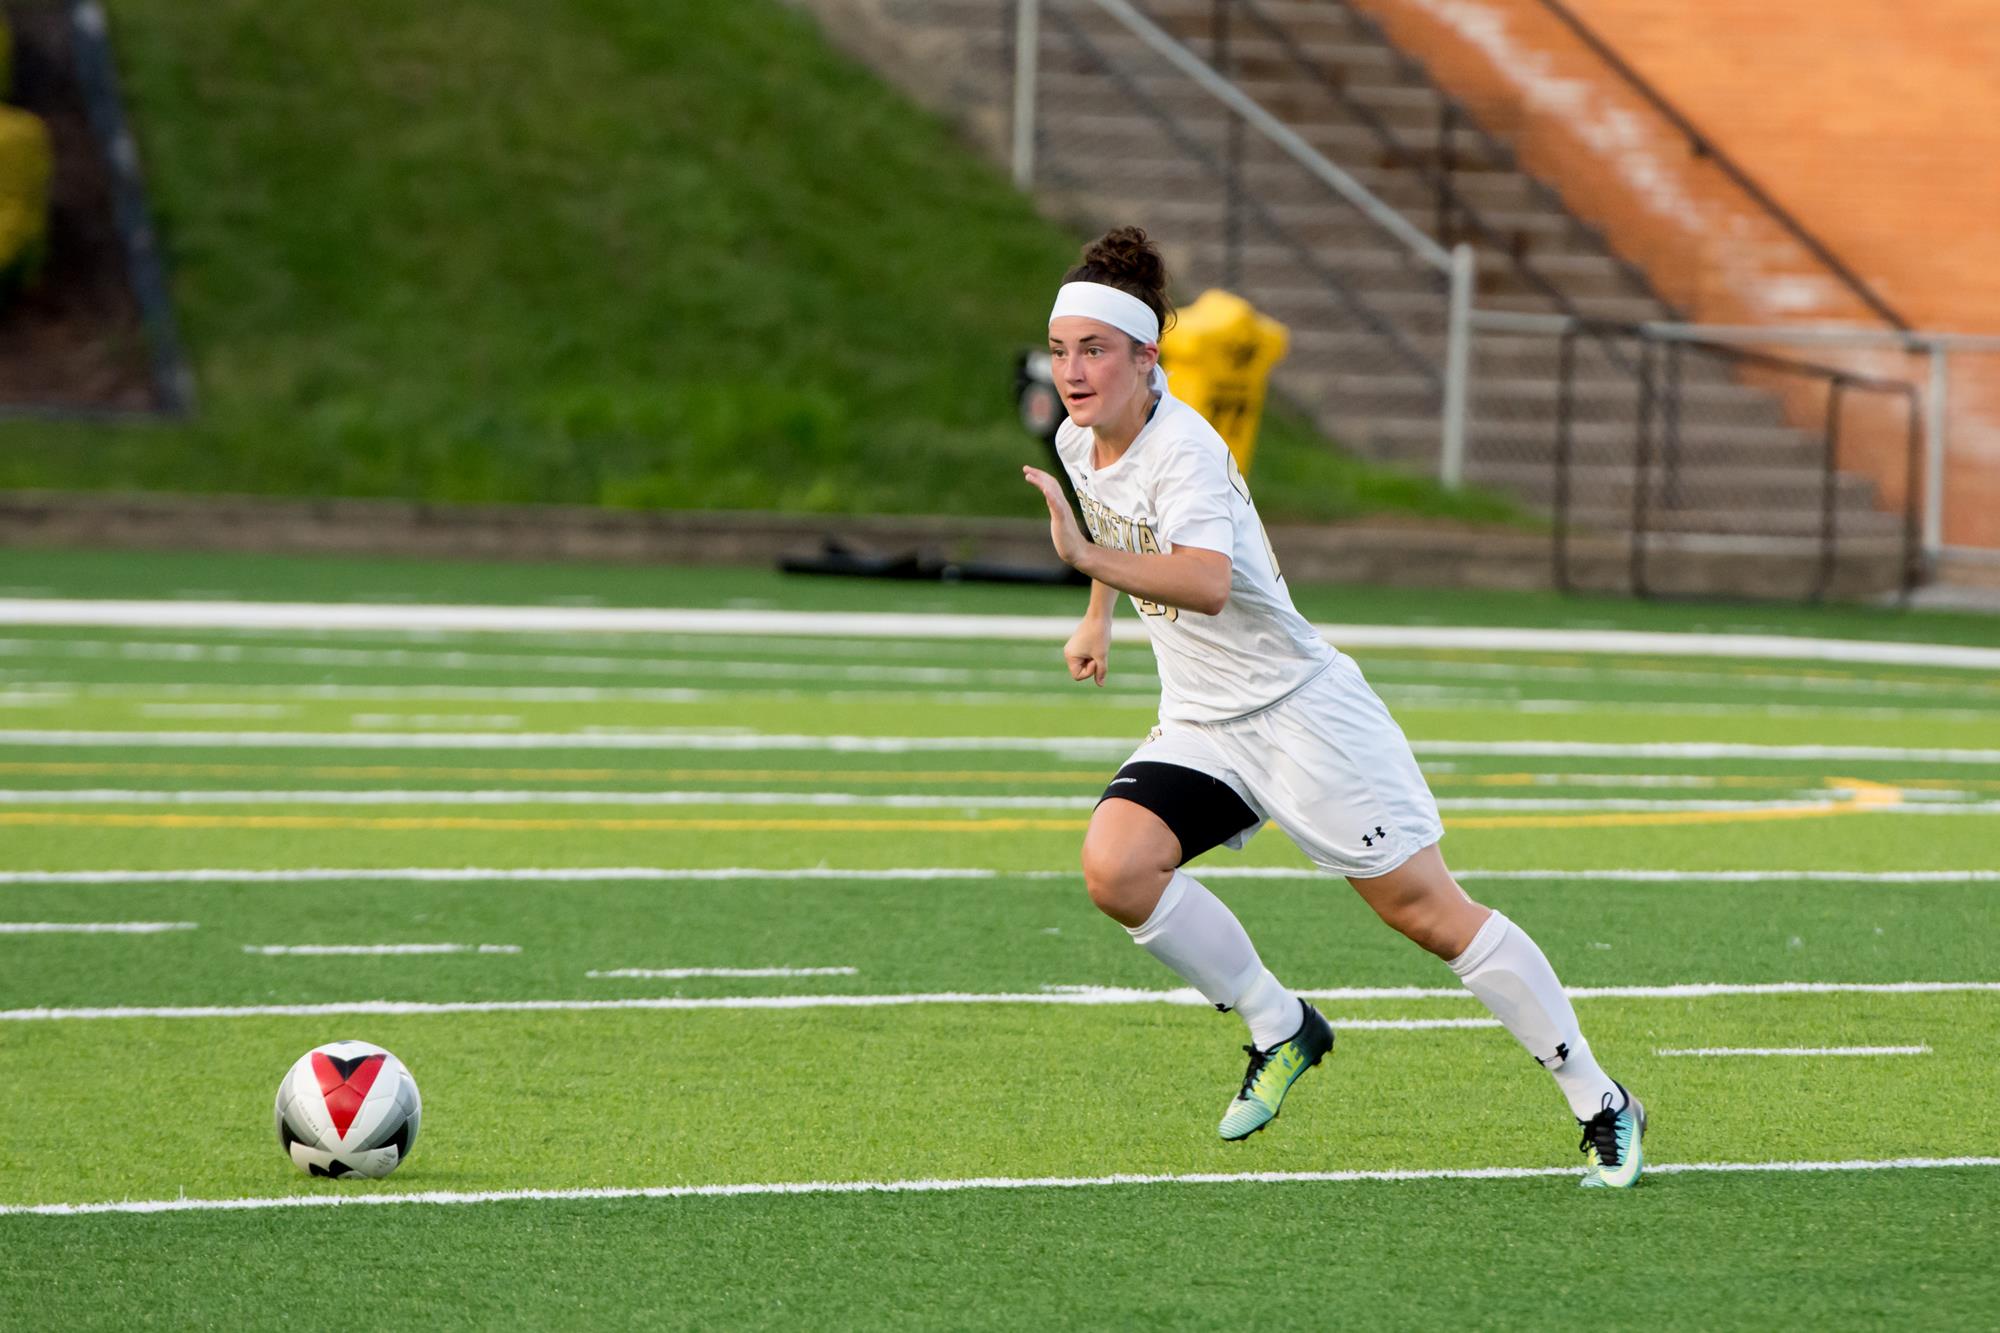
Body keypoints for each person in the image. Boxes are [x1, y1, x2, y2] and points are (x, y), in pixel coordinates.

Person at [1020, 226, 1646, 1187]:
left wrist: (1085, 566)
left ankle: (1600, 1096)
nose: (1072, 370)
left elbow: (1204, 579)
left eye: (1094, 350)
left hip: (1302, 714)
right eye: (1062, 350)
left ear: (1149, 357)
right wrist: (1098, 617)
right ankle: (1282, 1025)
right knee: (1116, 866)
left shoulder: (1185, 448)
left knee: (1430, 914)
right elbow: (1108, 521)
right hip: (1204, 720)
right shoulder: (1078, 434)